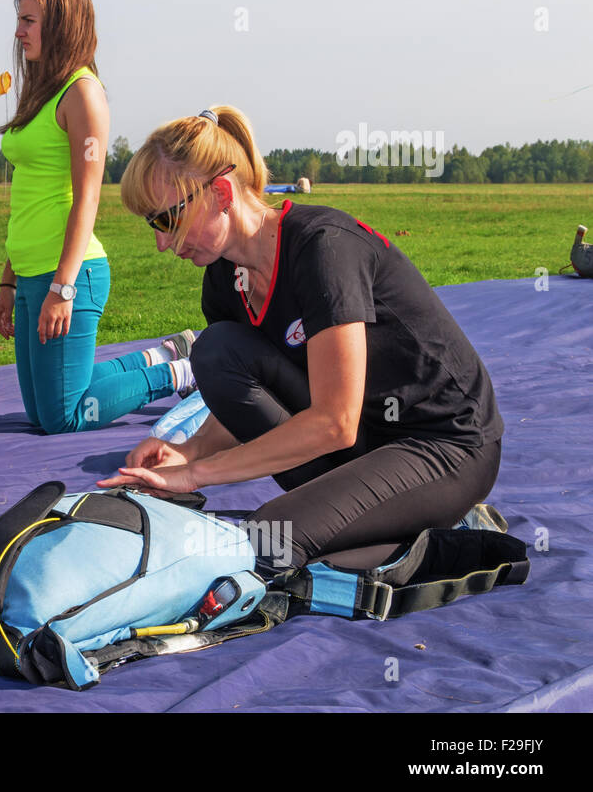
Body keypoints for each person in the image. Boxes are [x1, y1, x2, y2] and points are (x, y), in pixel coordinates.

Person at [99, 106, 505, 571]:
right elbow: (254, 396)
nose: (162, 243)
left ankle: (448, 537)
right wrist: (188, 450)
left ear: (222, 193)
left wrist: (195, 475)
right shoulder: (222, 279)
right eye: (153, 224)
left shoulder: (323, 249)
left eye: (167, 219)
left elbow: (335, 422)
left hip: (444, 446)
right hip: (366, 443)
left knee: (269, 541)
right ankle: (379, 516)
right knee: (215, 351)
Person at [0, 0, 197, 434]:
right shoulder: (40, 92)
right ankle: (162, 354)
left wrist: (61, 289)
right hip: (30, 271)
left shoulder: (83, 94)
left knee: (62, 417)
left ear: (61, 25)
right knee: (44, 410)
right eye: (18, 20)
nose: (19, 32)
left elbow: (88, 197)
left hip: (69, 272)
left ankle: (182, 373)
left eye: (28, 21)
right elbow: (28, 196)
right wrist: (9, 283)